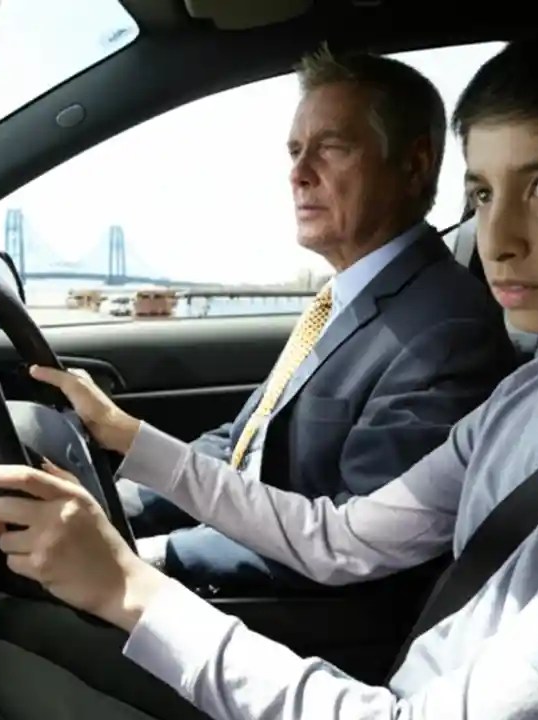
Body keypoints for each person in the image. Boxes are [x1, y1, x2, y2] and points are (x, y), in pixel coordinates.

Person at [0, 13, 538, 720]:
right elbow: (337, 540)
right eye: (482, 194)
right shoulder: (524, 396)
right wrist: (131, 449)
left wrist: (132, 591)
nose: (499, 236)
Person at [99, 46, 515, 593]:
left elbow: (360, 555)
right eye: (295, 151)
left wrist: (152, 555)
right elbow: (242, 444)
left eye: (332, 148)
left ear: (413, 166)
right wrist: (118, 501)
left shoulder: (446, 330)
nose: (298, 173)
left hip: (302, 620)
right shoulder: (343, 299)